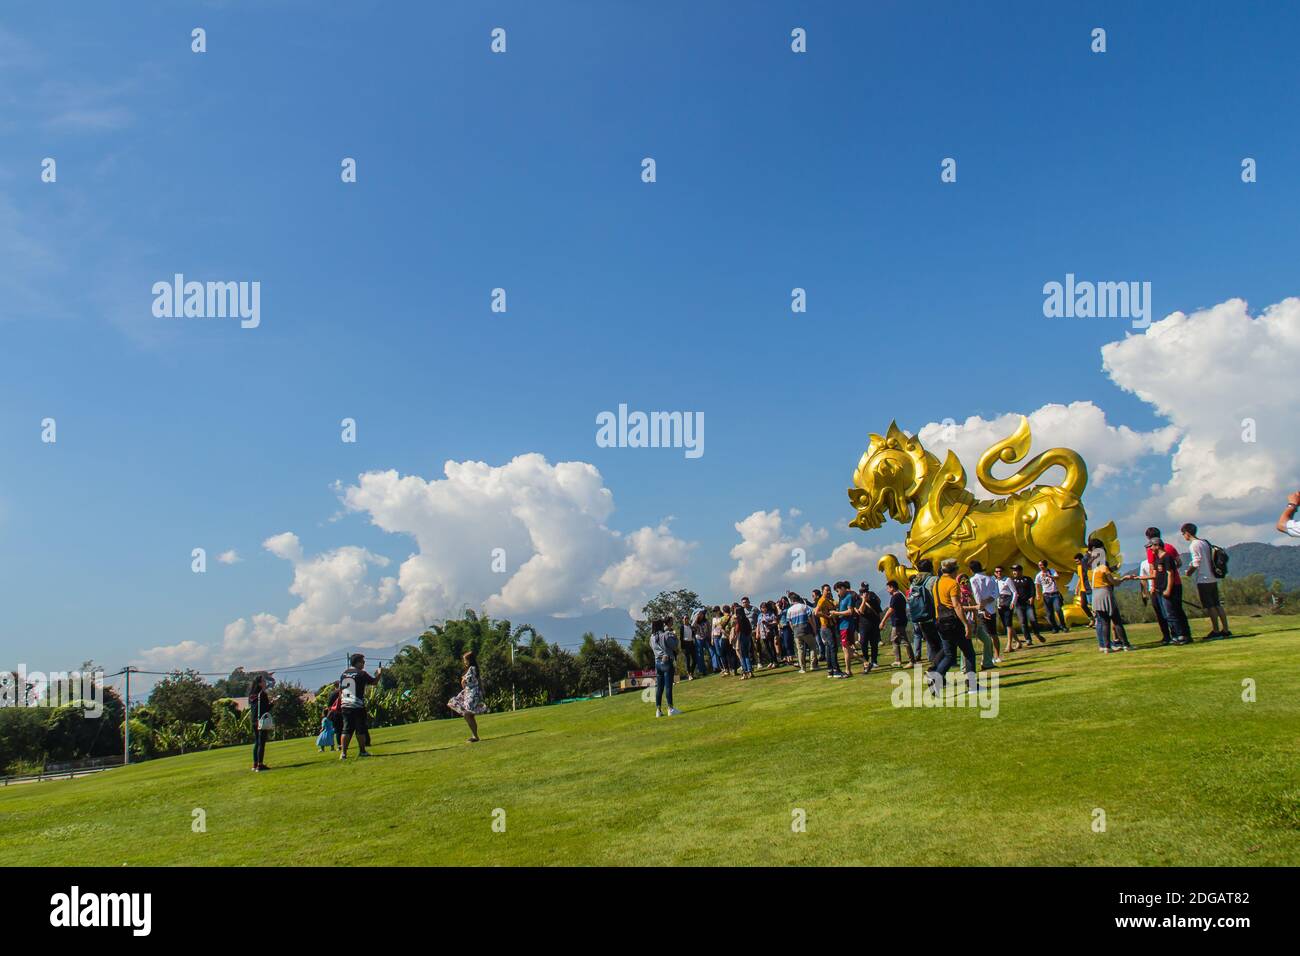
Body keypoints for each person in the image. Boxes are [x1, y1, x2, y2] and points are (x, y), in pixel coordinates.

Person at [930, 559, 977, 694]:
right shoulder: (952, 584)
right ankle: (972, 686)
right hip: (953, 623)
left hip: (941, 622)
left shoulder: (936, 583)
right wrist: (966, 624)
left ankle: (935, 681)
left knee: (949, 655)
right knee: (968, 653)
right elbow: (956, 605)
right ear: (954, 570)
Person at [1182, 523, 1231, 638]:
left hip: (1203, 579)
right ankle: (1226, 629)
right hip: (1213, 577)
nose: (1183, 536)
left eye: (1183, 533)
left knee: (1210, 606)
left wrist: (1189, 572)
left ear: (1187, 533)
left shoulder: (1194, 545)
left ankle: (1216, 630)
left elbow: (1196, 562)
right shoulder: (1205, 542)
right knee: (1217, 604)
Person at [1145, 529, 1192, 643]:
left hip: (1164, 585)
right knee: (1178, 610)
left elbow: (1153, 569)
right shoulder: (1170, 547)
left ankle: (1175, 635)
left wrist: (1153, 585)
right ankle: (1186, 633)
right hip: (1177, 582)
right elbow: (1179, 563)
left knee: (1167, 612)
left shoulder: (1153, 552)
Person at [338, 653, 382, 759]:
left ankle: (343, 753)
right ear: (357, 662)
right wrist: (379, 673)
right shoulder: (361, 673)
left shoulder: (344, 673)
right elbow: (374, 682)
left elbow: (340, 690)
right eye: (363, 662)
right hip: (357, 705)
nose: (364, 664)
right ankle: (362, 751)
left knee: (346, 729)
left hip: (345, 704)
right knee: (360, 729)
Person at [1090, 555, 1133, 653]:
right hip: (1105, 594)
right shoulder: (1104, 568)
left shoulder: (1095, 570)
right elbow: (1113, 582)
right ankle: (1125, 644)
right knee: (1116, 620)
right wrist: (1123, 579)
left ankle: (1106, 647)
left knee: (1105, 622)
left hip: (1096, 596)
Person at [959, 570, 996, 670]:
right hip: (966, 622)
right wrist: (974, 607)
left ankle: (987, 663)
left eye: (967, 581)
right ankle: (964, 668)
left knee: (987, 641)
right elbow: (959, 608)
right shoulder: (959, 595)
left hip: (975, 621)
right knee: (966, 647)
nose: (965, 584)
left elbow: (977, 606)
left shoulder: (970, 593)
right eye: (962, 582)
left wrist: (983, 611)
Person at [447, 651, 488, 740]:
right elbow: (478, 680)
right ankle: (475, 736)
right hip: (470, 692)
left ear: (469, 660)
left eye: (465, 660)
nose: (464, 662)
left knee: (467, 714)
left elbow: (466, 681)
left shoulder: (472, 669)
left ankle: (475, 736)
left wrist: (463, 680)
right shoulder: (474, 668)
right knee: (469, 715)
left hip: (472, 693)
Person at [908, 559, 942, 666]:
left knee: (931, 644)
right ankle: (937, 668)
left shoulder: (914, 583)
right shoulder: (934, 580)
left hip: (921, 617)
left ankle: (934, 666)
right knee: (942, 644)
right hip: (935, 615)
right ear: (931, 567)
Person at [968, 561, 1002, 664]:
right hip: (991, 609)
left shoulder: (973, 579)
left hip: (982, 610)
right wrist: (988, 601)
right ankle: (996, 656)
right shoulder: (991, 579)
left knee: (986, 635)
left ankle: (989, 658)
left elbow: (977, 596)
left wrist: (982, 608)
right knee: (993, 634)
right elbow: (996, 594)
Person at [1137, 553, 1172, 643]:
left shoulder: (1160, 561)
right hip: (1152, 591)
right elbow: (1143, 579)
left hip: (1161, 589)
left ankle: (1175, 633)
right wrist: (1144, 593)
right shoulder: (1144, 563)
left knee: (1167, 612)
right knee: (1159, 614)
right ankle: (1166, 635)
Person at [1007, 564, 1046, 644]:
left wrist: (1032, 597)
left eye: (1016, 570)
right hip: (1019, 605)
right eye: (1013, 571)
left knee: (1033, 619)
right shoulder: (1011, 581)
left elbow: (1032, 589)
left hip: (1028, 604)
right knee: (1023, 622)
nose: (1014, 572)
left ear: (1020, 571)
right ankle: (1028, 639)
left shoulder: (1027, 579)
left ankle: (1037, 633)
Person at [650, 619, 682, 715]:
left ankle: (658, 710)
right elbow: (674, 645)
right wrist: (675, 637)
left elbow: (651, 647)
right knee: (668, 686)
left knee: (659, 688)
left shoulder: (651, 637)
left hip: (657, 662)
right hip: (666, 661)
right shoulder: (665, 635)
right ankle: (670, 708)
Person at [881, 580, 915, 666]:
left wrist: (883, 621)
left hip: (898, 622)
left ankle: (911, 661)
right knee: (895, 640)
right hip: (900, 620)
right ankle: (898, 660)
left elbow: (890, 610)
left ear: (892, 587)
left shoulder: (895, 597)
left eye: (888, 588)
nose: (887, 590)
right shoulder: (900, 596)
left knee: (903, 640)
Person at [816, 584, 845, 678]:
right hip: (826, 627)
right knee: (833, 648)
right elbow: (816, 612)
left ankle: (830, 670)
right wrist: (827, 616)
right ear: (822, 591)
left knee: (829, 648)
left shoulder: (828, 600)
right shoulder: (822, 600)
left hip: (830, 626)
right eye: (826, 590)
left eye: (829, 590)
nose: (828, 592)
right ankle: (836, 670)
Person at [786, 592, 819, 672]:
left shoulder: (789, 610)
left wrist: (793, 630)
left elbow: (790, 622)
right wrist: (814, 628)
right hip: (806, 629)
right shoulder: (804, 607)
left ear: (792, 600)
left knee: (800, 650)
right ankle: (813, 665)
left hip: (796, 631)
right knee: (812, 647)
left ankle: (803, 668)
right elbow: (810, 618)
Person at [1034, 560, 1069, 633]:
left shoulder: (1051, 571)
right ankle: (1055, 627)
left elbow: (1057, 577)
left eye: (1041, 565)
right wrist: (1037, 594)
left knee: (1058, 609)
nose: (1040, 567)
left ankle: (1063, 626)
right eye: (1039, 565)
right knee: (1049, 613)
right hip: (1046, 595)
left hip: (1055, 594)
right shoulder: (1039, 575)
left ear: (1045, 565)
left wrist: (1050, 576)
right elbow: (1037, 585)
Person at [832, 581, 858, 677]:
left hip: (846, 626)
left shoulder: (849, 597)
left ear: (842, 588)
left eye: (838, 591)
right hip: (842, 625)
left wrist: (837, 613)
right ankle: (865, 662)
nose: (837, 593)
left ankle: (848, 671)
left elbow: (850, 611)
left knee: (846, 650)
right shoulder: (841, 598)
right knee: (846, 649)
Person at [249, 674, 273, 772]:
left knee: (257, 742)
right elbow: (266, 708)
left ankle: (255, 764)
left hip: (254, 720)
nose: (265, 682)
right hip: (261, 720)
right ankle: (260, 764)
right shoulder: (262, 694)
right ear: (259, 683)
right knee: (261, 743)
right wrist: (273, 703)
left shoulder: (252, 695)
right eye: (263, 681)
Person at [856, 583, 882, 673]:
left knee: (874, 644)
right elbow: (861, 611)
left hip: (874, 625)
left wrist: (881, 622)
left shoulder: (874, 601)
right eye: (863, 593)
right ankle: (866, 661)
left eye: (866, 592)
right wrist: (864, 601)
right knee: (863, 643)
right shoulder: (858, 602)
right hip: (863, 626)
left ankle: (874, 661)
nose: (865, 594)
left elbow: (879, 612)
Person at [993, 565, 1019, 649]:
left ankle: (1009, 644)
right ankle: (1018, 642)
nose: (999, 573)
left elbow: (1014, 592)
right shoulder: (995, 581)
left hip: (1008, 603)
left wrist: (1013, 602)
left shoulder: (1007, 580)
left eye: (1000, 571)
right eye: (997, 572)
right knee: (1007, 625)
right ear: (995, 573)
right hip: (1000, 604)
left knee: (1008, 624)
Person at [731, 602, 755, 680]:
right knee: (746, 655)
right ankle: (750, 671)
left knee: (742, 656)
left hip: (741, 637)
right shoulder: (746, 619)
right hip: (747, 637)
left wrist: (734, 637)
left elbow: (737, 629)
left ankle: (745, 672)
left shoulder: (738, 620)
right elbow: (750, 629)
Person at [1074, 552, 1095, 622]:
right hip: (1082, 589)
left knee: (1092, 605)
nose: (1076, 563)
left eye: (1077, 561)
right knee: (1083, 605)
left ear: (1081, 560)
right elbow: (1080, 577)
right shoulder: (1078, 567)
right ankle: (1092, 619)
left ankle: (1097, 619)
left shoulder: (1085, 566)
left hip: (1088, 588)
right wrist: (1077, 587)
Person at [692, 609, 712, 675]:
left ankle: (715, 667)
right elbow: (692, 626)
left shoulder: (706, 621)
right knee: (700, 655)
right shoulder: (695, 622)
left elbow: (709, 629)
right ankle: (702, 670)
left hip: (706, 638)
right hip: (698, 639)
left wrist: (709, 637)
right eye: (700, 614)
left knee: (711, 651)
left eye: (702, 613)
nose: (701, 615)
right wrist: (696, 617)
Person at [678, 614, 697, 680]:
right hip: (685, 644)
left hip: (691, 643)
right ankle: (689, 674)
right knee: (688, 660)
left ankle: (691, 672)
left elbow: (693, 634)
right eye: (685, 618)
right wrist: (682, 647)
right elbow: (681, 637)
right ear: (682, 620)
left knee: (695, 659)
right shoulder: (682, 627)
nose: (686, 620)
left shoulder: (690, 626)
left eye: (687, 618)